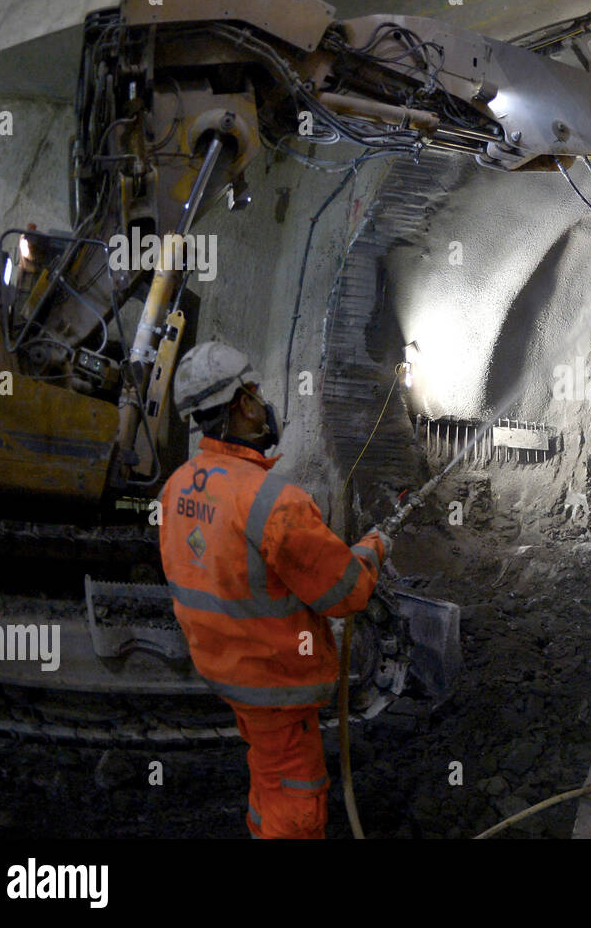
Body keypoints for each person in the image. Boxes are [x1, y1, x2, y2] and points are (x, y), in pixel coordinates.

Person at [160, 341, 388, 839]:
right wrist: (373, 548)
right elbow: (346, 593)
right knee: (297, 799)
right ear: (242, 402)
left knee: (266, 779)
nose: (264, 404)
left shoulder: (177, 488)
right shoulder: (273, 502)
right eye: (256, 393)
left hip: (233, 681)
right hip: (277, 686)